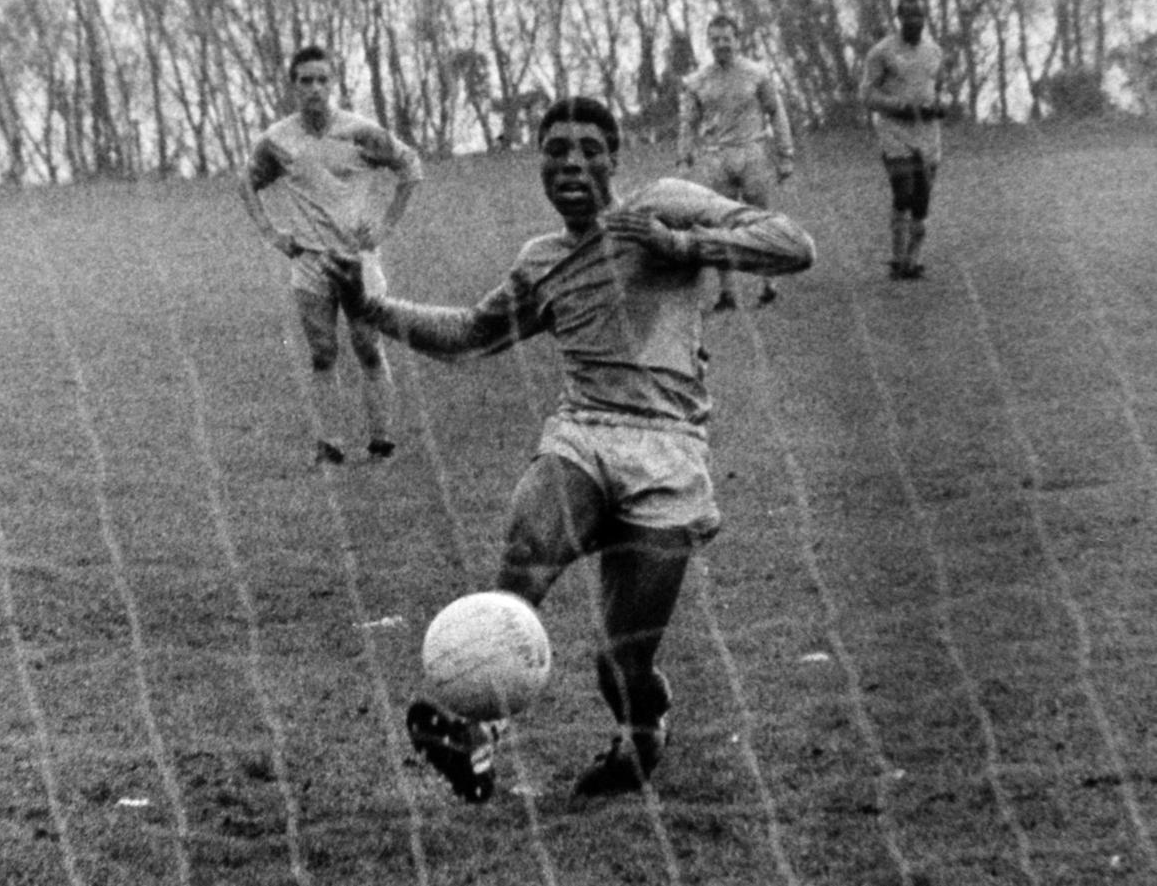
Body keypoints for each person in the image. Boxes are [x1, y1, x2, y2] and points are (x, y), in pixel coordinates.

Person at [325, 96, 815, 801]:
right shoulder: (544, 260)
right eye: (556, 149)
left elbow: (794, 245)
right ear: (541, 165)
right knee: (529, 543)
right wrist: (371, 307)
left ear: (614, 158)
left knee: (622, 663)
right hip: (583, 432)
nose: (572, 162)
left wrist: (687, 247)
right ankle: (473, 733)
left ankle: (644, 731)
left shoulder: (667, 204)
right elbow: (471, 334)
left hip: (670, 452)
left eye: (589, 146)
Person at [240, 44, 424, 464]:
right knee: (322, 352)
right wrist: (272, 232)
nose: (315, 89)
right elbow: (246, 182)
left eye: (323, 80)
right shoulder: (277, 140)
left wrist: (385, 225)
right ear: (293, 86)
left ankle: (381, 441)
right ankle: (330, 444)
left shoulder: (361, 132)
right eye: (306, 81)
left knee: (367, 347)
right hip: (308, 263)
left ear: (333, 84)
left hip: (357, 261)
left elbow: (410, 168)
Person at [678, 14, 796, 310]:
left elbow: (776, 113)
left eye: (726, 38)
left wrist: (785, 155)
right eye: (715, 40)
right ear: (708, 43)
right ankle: (727, 292)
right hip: (717, 156)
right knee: (720, 224)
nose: (721, 45)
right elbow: (688, 123)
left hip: (753, 152)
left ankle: (769, 284)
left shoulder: (757, 74)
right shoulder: (698, 81)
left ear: (737, 40)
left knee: (760, 220)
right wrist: (684, 158)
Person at [859, 0, 946, 279]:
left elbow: (941, 87)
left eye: (919, 15)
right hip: (894, 133)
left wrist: (940, 105)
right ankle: (897, 260)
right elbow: (867, 94)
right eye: (908, 15)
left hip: (927, 135)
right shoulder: (881, 52)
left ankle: (914, 260)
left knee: (922, 199)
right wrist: (899, 107)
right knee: (904, 191)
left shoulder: (934, 52)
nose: (914, 21)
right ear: (898, 18)